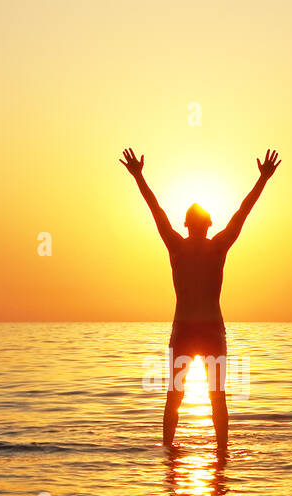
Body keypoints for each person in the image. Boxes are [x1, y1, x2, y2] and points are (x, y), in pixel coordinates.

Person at [120, 147, 281, 451]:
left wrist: (139, 176)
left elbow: (158, 212)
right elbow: (240, 214)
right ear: (205, 224)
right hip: (200, 332)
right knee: (201, 397)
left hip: (195, 331)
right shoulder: (204, 246)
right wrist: (262, 179)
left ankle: (186, 453)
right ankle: (212, 454)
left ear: (197, 225)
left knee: (187, 397)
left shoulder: (186, 246)